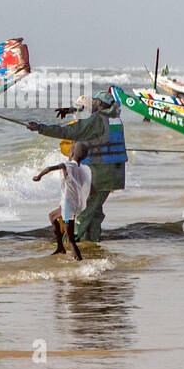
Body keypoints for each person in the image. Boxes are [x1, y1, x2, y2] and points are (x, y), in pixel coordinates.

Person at [26, 89, 126, 241]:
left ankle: (72, 243)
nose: (91, 103)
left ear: (99, 103)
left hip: (99, 173)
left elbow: (69, 131)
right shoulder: (115, 117)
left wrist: (40, 128)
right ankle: (92, 241)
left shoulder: (96, 120)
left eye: (94, 100)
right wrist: (72, 110)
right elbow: (88, 116)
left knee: (83, 212)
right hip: (114, 174)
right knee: (95, 210)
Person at [33, 140, 91, 261]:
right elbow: (89, 186)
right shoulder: (84, 169)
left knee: (70, 240)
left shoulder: (68, 165)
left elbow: (50, 168)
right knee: (52, 216)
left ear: (71, 153)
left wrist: (39, 176)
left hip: (68, 205)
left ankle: (80, 263)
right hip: (75, 204)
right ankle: (60, 248)